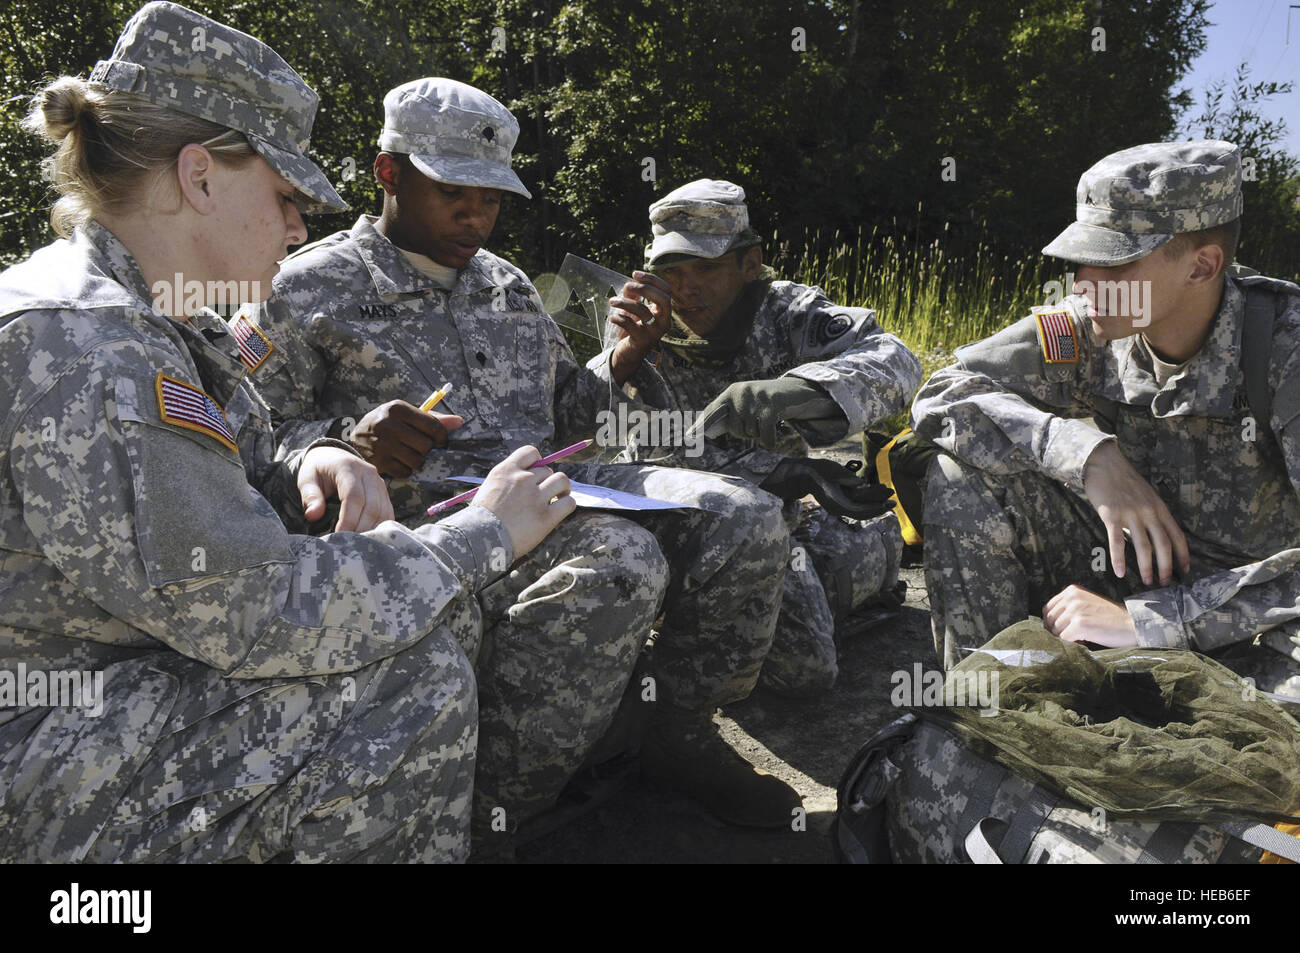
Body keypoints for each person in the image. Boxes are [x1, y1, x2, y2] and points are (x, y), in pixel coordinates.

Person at [0, 1, 576, 863]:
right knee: (410, 681)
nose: (301, 228)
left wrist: (316, 453)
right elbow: (255, 610)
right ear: (199, 177)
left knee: (414, 628)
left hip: (111, 677)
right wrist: (484, 532)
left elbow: (234, 456)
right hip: (42, 743)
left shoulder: (157, 313)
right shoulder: (90, 344)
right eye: (283, 197)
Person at [244, 79, 800, 833]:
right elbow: (247, 440)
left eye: (493, 199)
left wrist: (621, 362)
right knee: (620, 561)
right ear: (389, 172)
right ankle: (494, 811)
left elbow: (572, 412)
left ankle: (679, 731)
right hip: (437, 513)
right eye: (454, 193)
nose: (476, 216)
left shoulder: (505, 285)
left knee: (747, 515)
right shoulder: (300, 284)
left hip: (551, 478)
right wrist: (343, 441)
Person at [911, 139, 1300, 700]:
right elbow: (944, 391)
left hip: (1255, 607)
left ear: (1203, 264)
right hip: (1124, 566)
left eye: (1115, 262)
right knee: (961, 478)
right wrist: (1087, 455)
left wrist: (1157, 622)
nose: (1082, 284)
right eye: (1081, 259)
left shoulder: (1285, 351)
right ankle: (989, 704)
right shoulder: (1085, 326)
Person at [588, 179, 922, 696]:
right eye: (671, 272)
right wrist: (626, 357)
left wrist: (802, 390)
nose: (687, 289)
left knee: (804, 672)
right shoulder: (640, 323)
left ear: (749, 263)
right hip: (665, 518)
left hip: (768, 525)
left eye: (706, 267)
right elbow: (624, 438)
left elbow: (897, 362)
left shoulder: (787, 312)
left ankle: (859, 552)